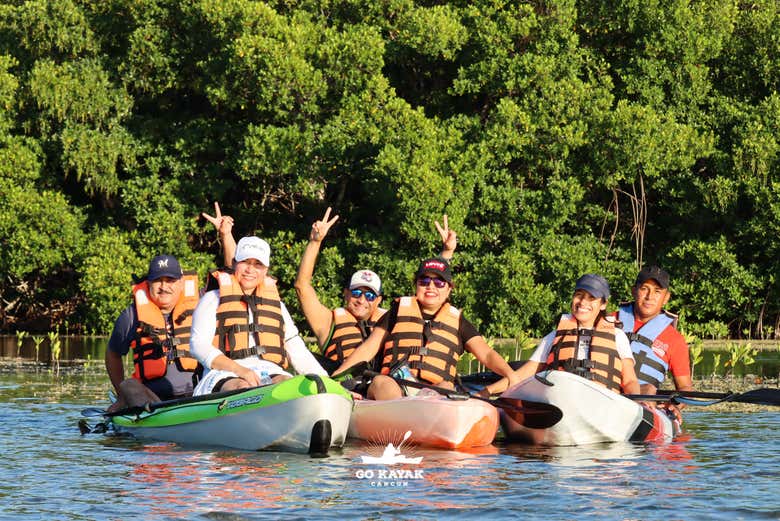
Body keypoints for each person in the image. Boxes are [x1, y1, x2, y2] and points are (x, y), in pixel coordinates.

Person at [333, 257, 520, 400]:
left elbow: (486, 354)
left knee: (447, 386)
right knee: (381, 382)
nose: (431, 287)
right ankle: (400, 425)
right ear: (416, 285)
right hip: (395, 389)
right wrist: (336, 378)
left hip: (435, 392)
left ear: (448, 290)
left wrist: (510, 375)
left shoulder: (459, 321)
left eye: (439, 283)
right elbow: (369, 348)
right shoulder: (397, 311)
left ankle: (431, 425)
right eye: (424, 281)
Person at [294, 207, 457, 370]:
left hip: (382, 389)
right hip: (344, 389)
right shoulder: (327, 321)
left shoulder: (390, 318)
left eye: (370, 296)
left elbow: (430, 294)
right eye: (357, 293)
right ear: (346, 294)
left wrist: (446, 253)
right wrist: (315, 242)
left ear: (378, 300)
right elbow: (302, 286)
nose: (362, 300)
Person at [189, 235, 328, 395]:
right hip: (224, 373)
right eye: (245, 262)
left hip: (268, 370)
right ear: (234, 263)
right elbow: (197, 345)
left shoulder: (278, 306)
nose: (250, 270)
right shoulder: (212, 298)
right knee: (243, 386)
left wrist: (327, 384)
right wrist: (240, 370)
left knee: (287, 384)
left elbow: (297, 349)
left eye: (258, 265)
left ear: (266, 270)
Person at [482, 274, 640, 397]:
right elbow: (522, 375)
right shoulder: (554, 336)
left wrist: (639, 405)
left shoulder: (617, 336)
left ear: (603, 304)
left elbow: (630, 380)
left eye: (592, 298)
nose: (583, 302)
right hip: (561, 398)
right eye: (579, 295)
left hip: (602, 402)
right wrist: (486, 392)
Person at [105, 254, 202, 412]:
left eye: (170, 280)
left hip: (198, 394)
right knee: (128, 385)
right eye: (158, 281)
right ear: (148, 283)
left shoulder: (202, 303)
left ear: (181, 282)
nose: (164, 287)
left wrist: (225, 235)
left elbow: (234, 274)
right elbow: (112, 353)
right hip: (152, 400)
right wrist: (121, 394)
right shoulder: (131, 316)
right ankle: (136, 407)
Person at [616, 265, 693, 395]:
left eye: (657, 291)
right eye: (644, 289)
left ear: (666, 297)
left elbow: (685, 388)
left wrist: (674, 406)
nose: (649, 296)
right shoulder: (608, 321)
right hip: (606, 394)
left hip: (642, 403)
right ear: (634, 291)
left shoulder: (675, 340)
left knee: (649, 391)